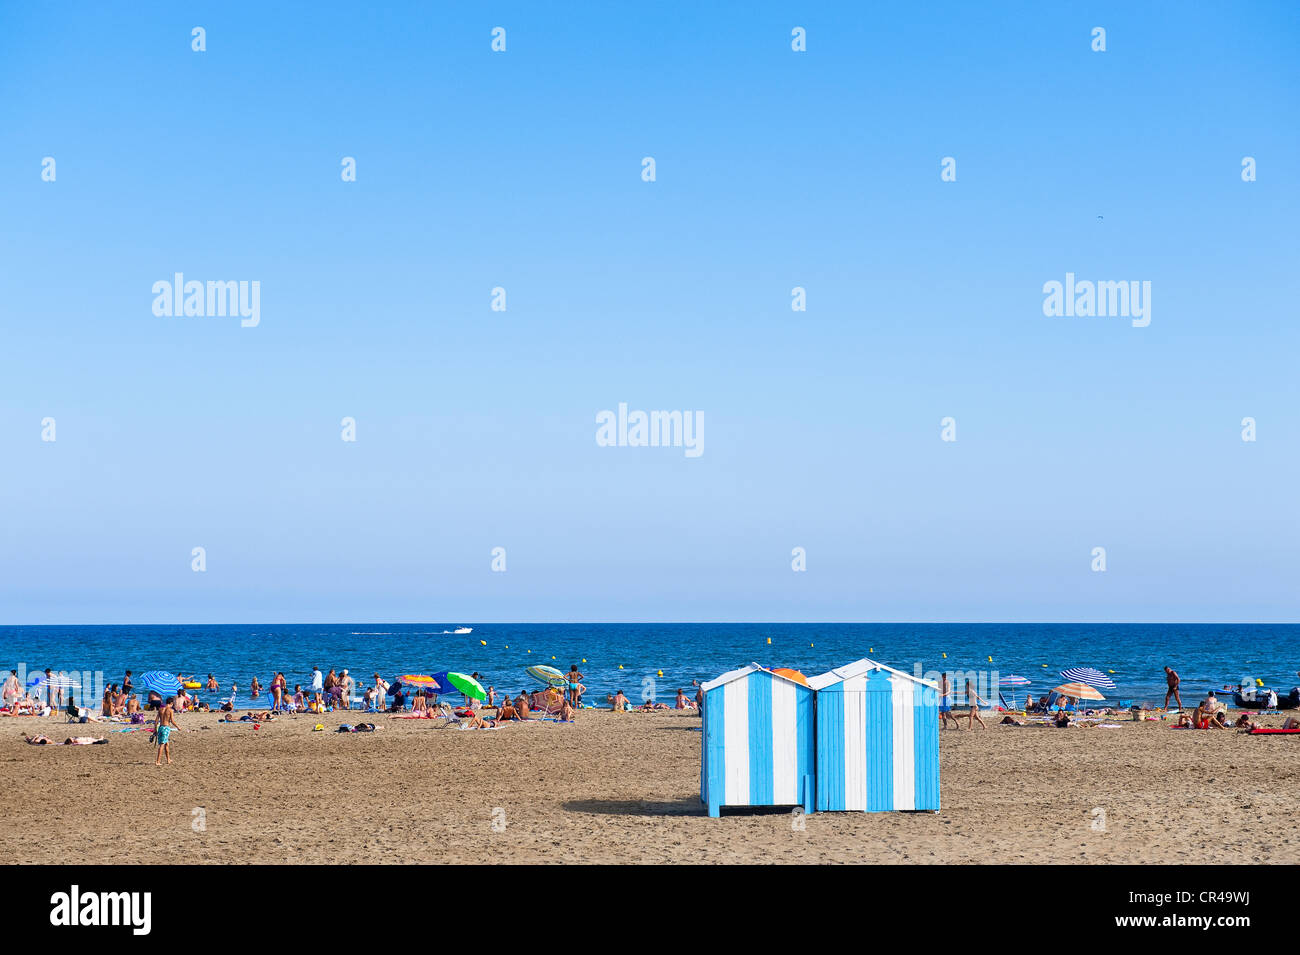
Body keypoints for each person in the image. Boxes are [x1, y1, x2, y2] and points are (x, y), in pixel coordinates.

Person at [155, 697, 179, 766]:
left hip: (160, 727)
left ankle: (168, 759)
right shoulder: (170, 710)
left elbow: (156, 720)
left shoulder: (160, 709)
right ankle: (158, 761)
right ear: (171, 703)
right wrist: (178, 727)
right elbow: (172, 721)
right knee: (162, 744)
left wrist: (154, 729)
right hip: (166, 728)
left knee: (166, 744)